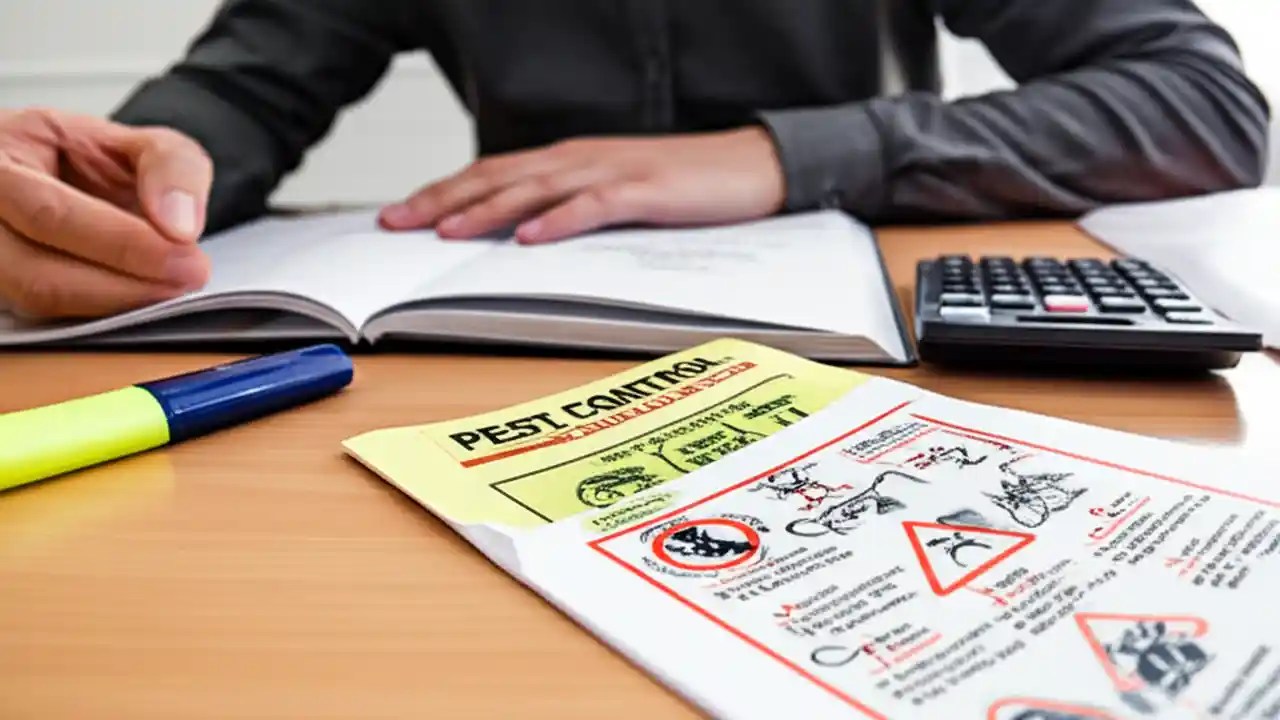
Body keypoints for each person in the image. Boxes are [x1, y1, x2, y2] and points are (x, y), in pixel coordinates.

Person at [0, 0, 1270, 320]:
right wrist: (131, 177)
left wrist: (775, 158)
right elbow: (239, 95)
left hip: (863, 354)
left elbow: (1204, 104)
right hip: (483, 358)